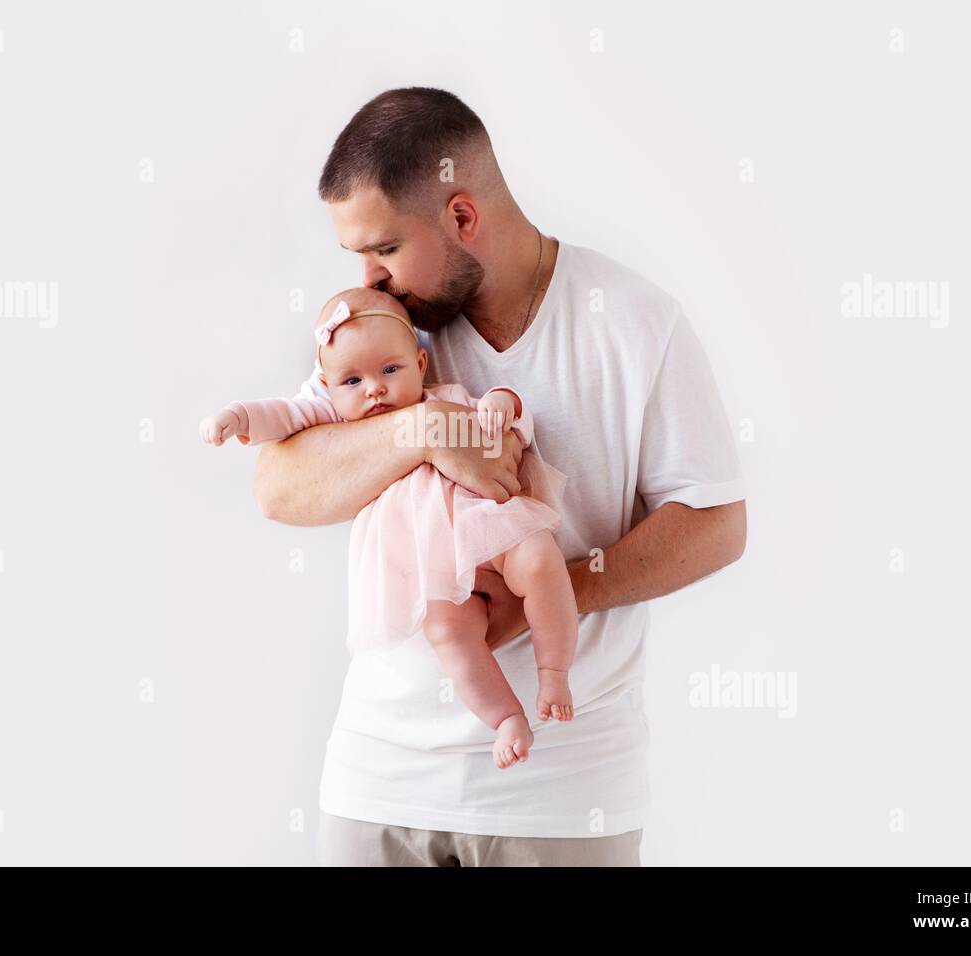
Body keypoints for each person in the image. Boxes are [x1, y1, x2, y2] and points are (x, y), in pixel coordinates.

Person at [254, 87, 748, 866]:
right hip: (377, 780)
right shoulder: (383, 340)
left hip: (563, 793)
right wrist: (423, 430)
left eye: (382, 249)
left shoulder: (632, 321)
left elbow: (716, 524)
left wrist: (550, 594)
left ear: (460, 217)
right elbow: (279, 488)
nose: (368, 280)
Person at [200, 286, 579, 768]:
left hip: (490, 523)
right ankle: (505, 718)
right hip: (431, 560)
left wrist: (501, 405)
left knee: (541, 560)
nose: (374, 388)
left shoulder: (446, 399)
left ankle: (554, 672)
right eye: (352, 381)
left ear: (420, 364)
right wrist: (239, 417)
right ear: (327, 388)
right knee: (448, 631)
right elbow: (286, 415)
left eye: (390, 370)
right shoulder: (340, 423)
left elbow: (513, 419)